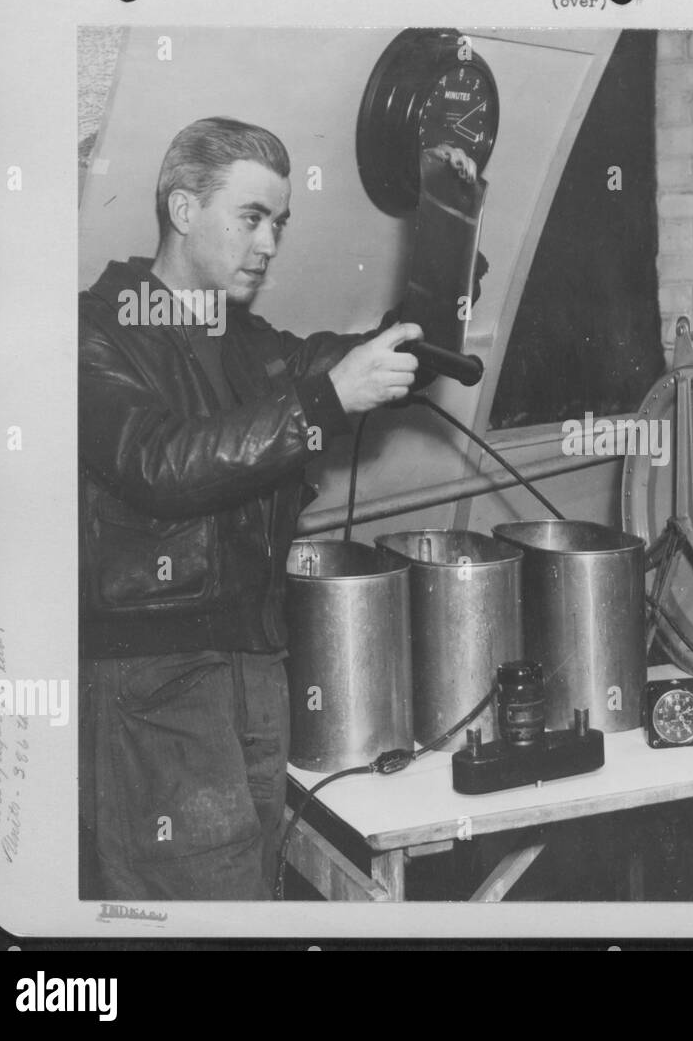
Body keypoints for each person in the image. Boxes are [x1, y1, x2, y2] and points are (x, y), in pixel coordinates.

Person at [78, 117, 472, 900]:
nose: (270, 244)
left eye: (280, 224)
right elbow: (162, 462)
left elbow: (394, 361)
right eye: (251, 218)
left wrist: (450, 229)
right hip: (159, 678)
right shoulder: (97, 333)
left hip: (255, 667)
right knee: (203, 901)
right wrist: (325, 398)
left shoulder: (244, 340)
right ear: (184, 211)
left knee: (255, 896)